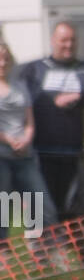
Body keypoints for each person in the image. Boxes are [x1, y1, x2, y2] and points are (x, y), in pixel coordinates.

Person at [18, 20, 84, 260]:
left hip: (74, 153)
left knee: (79, 208)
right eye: (63, 40)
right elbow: (18, 97)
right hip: (40, 153)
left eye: (72, 40)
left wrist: (78, 96)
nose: (68, 45)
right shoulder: (34, 70)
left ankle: (81, 257)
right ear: (53, 41)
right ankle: (40, 259)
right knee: (39, 206)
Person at [0, 40, 62, 268]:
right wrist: (8, 139)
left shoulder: (19, 85)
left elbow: (29, 121)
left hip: (25, 155)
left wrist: (26, 138)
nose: (3, 62)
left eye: (6, 57)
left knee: (39, 202)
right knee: (3, 206)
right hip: (2, 155)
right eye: (0, 57)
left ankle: (40, 252)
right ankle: (3, 257)